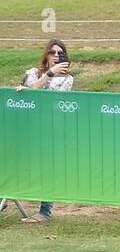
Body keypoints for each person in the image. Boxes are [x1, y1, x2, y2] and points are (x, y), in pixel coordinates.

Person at [16, 39, 73, 223]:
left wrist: (51, 74)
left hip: (51, 129)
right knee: (15, 161)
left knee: (48, 167)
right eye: (52, 52)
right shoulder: (32, 73)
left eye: (60, 53)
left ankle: (45, 211)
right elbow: (30, 91)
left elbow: (52, 101)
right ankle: (5, 198)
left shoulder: (67, 79)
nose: (56, 56)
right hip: (28, 126)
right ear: (46, 54)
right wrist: (48, 74)